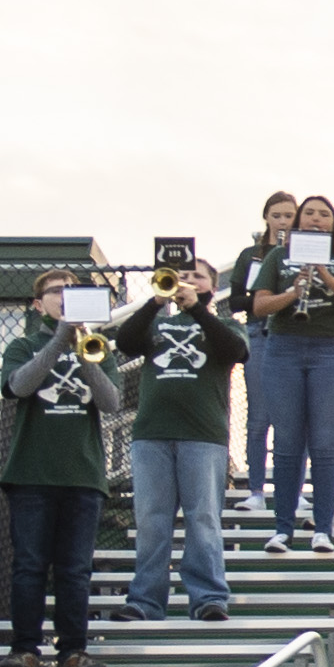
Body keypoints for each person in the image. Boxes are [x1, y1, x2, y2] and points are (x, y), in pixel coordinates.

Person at [0, 271, 121, 667]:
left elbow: (111, 401)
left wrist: (83, 351)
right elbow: (19, 386)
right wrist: (58, 339)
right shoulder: (23, 345)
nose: (65, 297)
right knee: (29, 566)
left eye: (73, 291)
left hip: (82, 475)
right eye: (56, 292)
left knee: (75, 569)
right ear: (38, 304)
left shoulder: (99, 348)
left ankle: (73, 649)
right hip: (31, 473)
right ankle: (25, 647)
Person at [111, 254, 246, 621]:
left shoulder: (226, 324)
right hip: (152, 434)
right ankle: (145, 600)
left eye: (197, 277)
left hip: (203, 435)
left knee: (202, 519)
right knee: (152, 520)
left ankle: (208, 597)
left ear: (212, 287)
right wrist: (156, 301)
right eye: (180, 276)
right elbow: (125, 341)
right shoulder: (155, 323)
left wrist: (199, 311)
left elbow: (236, 352)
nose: (187, 281)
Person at [244, 193, 334, 554]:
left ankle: (322, 529)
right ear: (299, 220)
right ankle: (282, 529)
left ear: (333, 222)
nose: (316, 219)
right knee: (286, 442)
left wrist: (327, 278)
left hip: (331, 350)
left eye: (323, 214)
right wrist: (293, 292)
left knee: (324, 442)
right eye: (310, 213)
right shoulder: (279, 256)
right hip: (284, 348)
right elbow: (259, 305)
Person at [217, 188, 295, 515]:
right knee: (259, 417)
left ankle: (292, 490)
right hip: (259, 334)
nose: (282, 222)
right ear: (266, 218)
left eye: (289, 216)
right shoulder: (251, 254)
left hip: (294, 336)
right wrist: (265, 299)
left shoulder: (307, 252)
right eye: (276, 215)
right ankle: (256, 490)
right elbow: (234, 301)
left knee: (292, 419)